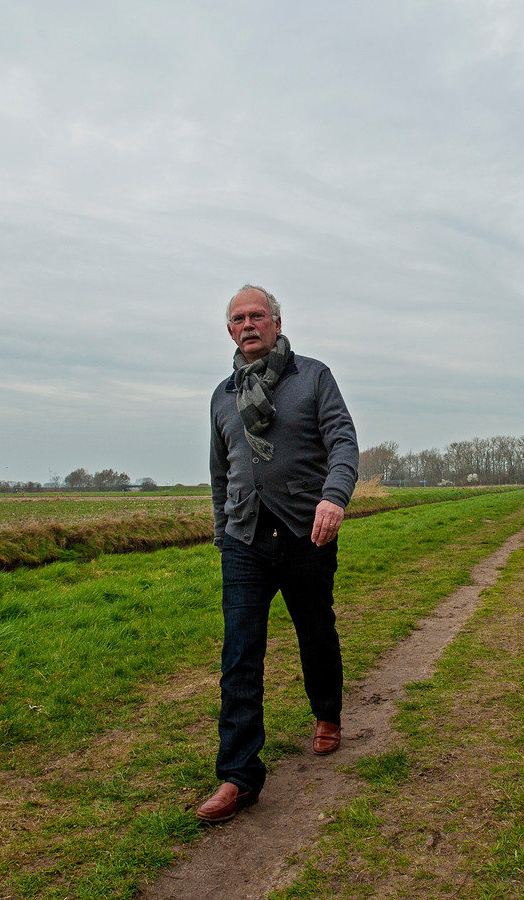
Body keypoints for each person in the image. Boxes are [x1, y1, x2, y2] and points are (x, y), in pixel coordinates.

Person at [196, 284, 359, 824]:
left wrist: (333, 498)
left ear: (277, 322)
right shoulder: (222, 396)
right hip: (243, 540)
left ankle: (327, 714)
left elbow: (342, 442)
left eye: (258, 316)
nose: (249, 324)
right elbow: (221, 476)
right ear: (229, 330)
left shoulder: (313, 377)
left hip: (304, 532)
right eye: (239, 318)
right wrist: (223, 534)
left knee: (315, 630)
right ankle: (238, 776)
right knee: (240, 653)